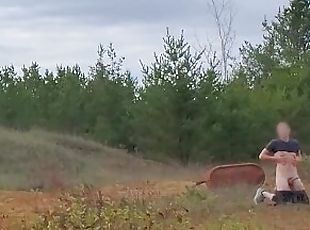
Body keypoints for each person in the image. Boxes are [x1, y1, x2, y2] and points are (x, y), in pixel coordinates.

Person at [253, 122, 309, 205]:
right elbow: (261, 156)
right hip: (282, 174)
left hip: (293, 173)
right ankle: (263, 193)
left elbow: (299, 157)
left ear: (289, 130)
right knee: (284, 201)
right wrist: (276, 158)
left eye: (285, 129)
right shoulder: (274, 143)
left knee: (304, 200)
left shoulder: (295, 143)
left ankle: (282, 193)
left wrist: (296, 160)